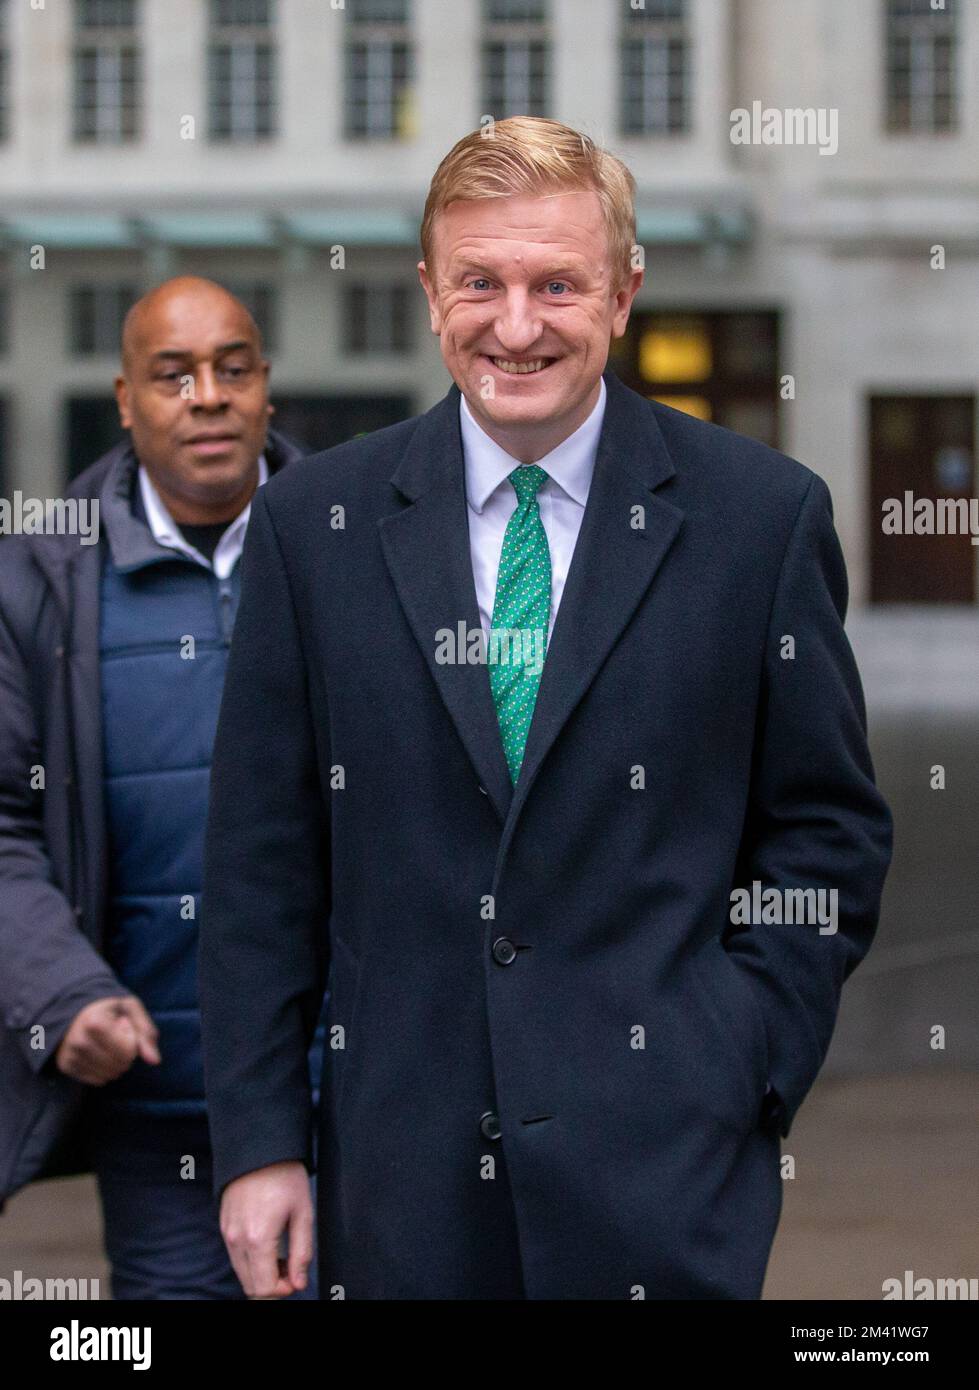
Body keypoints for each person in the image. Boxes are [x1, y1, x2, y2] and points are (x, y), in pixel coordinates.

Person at [199, 118, 892, 1300]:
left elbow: (824, 834)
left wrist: (741, 1054)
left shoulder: (757, 521)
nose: (515, 325)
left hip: (665, 1187)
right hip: (400, 1187)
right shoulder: (313, 527)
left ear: (622, 296)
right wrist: (261, 1142)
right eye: (480, 281)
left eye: (556, 284)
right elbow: (263, 865)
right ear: (429, 293)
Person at [0, 276, 319, 1299]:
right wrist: (62, 991)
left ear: (267, 389)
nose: (208, 395)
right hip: (159, 1110)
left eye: (234, 368)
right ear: (126, 397)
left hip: (352, 1092)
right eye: (172, 374)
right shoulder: (37, 579)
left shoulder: (356, 545)